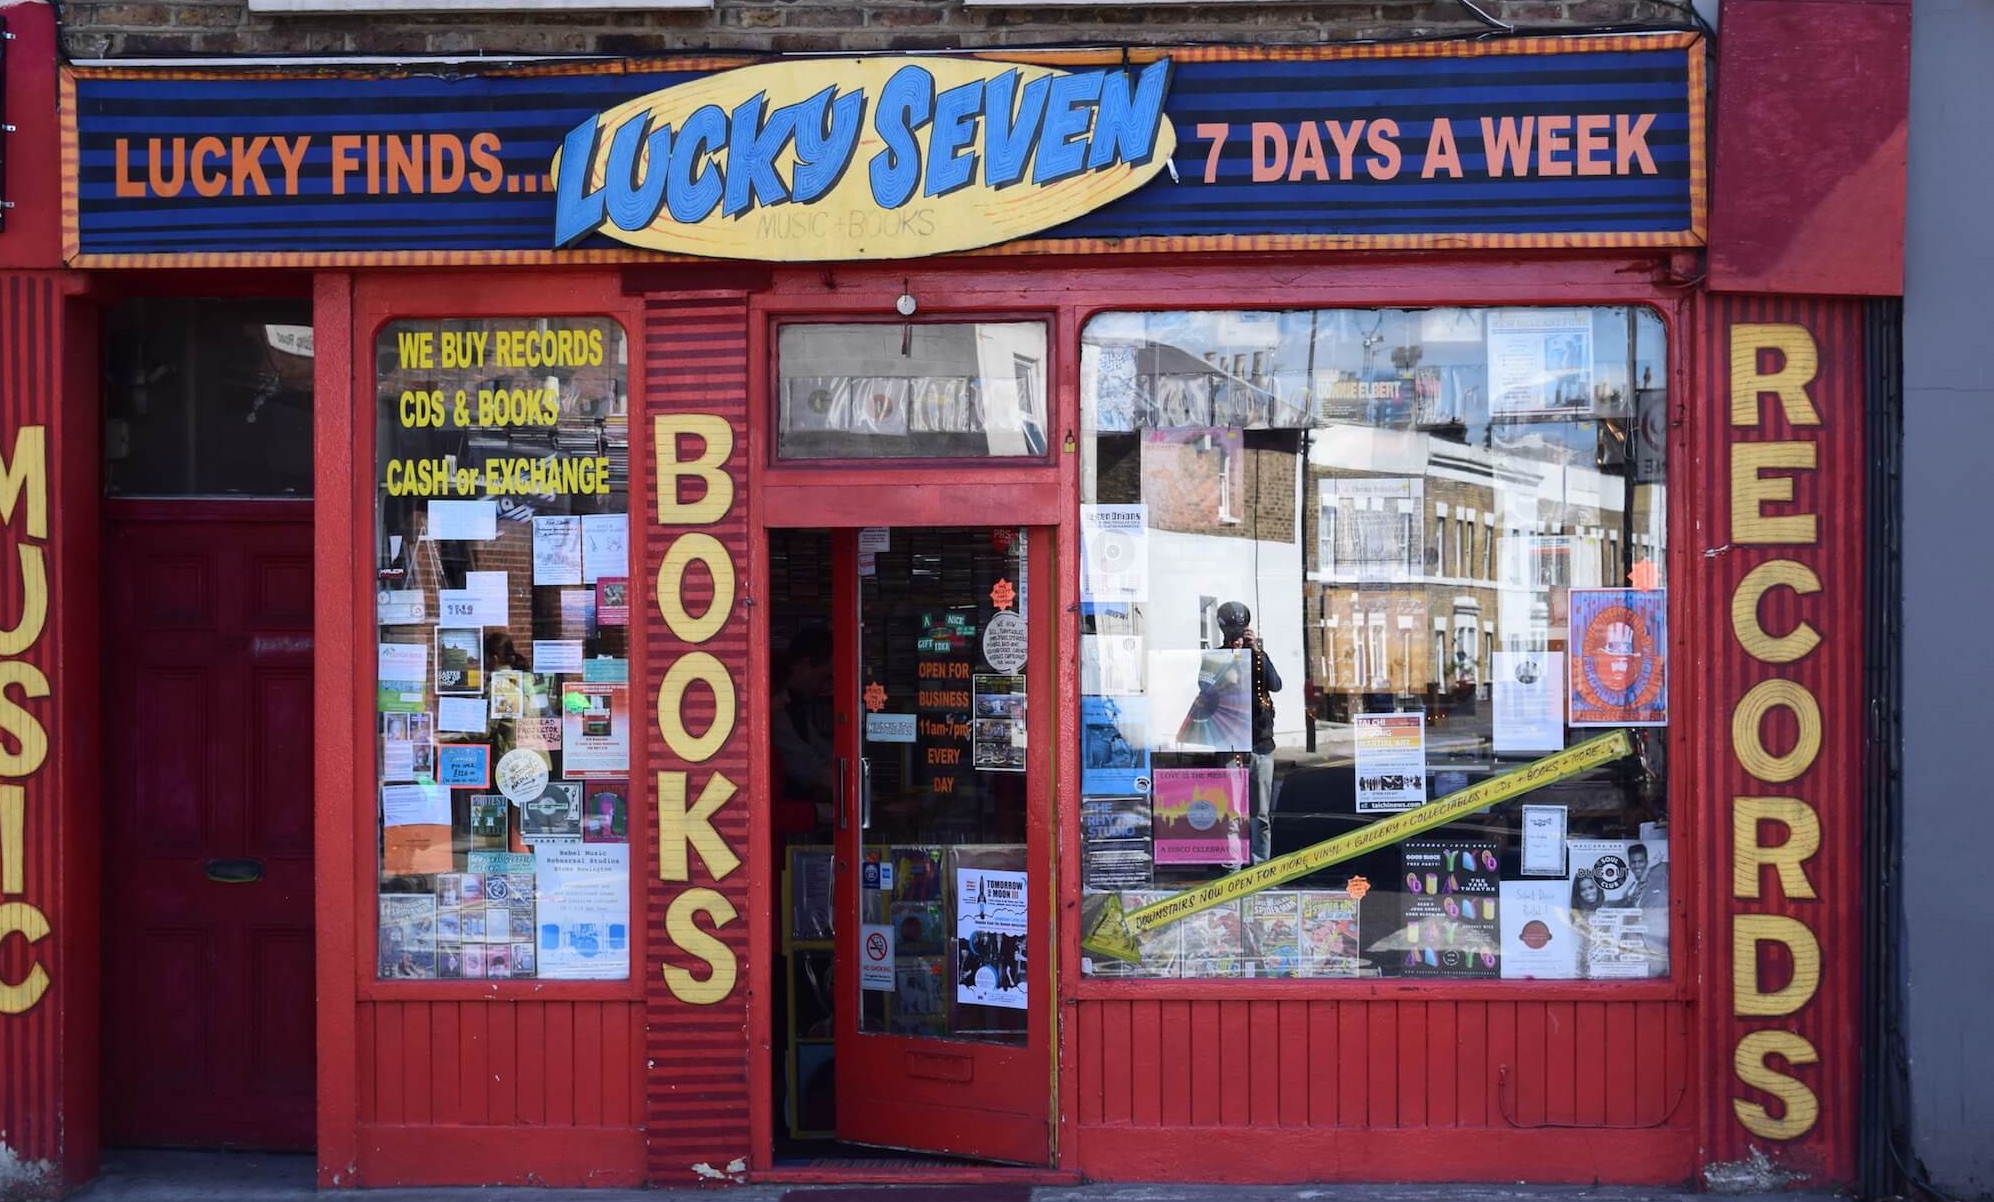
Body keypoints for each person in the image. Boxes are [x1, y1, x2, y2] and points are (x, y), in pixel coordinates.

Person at [1217, 601, 1282, 863]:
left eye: (1240, 632)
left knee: (1261, 815)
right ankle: (1232, 868)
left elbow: (1276, 685)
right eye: (1232, 633)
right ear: (1223, 632)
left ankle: (1260, 869)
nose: (1236, 638)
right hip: (1232, 745)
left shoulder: (1257, 656)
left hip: (1261, 744)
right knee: (1232, 814)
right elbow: (1205, 690)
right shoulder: (1217, 657)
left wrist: (1257, 650)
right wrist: (1229, 658)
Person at [771, 626, 836, 838]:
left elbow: (819, 749)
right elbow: (807, 765)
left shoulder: (797, 706)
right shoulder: (778, 712)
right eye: (825, 676)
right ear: (806, 664)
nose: (828, 685)